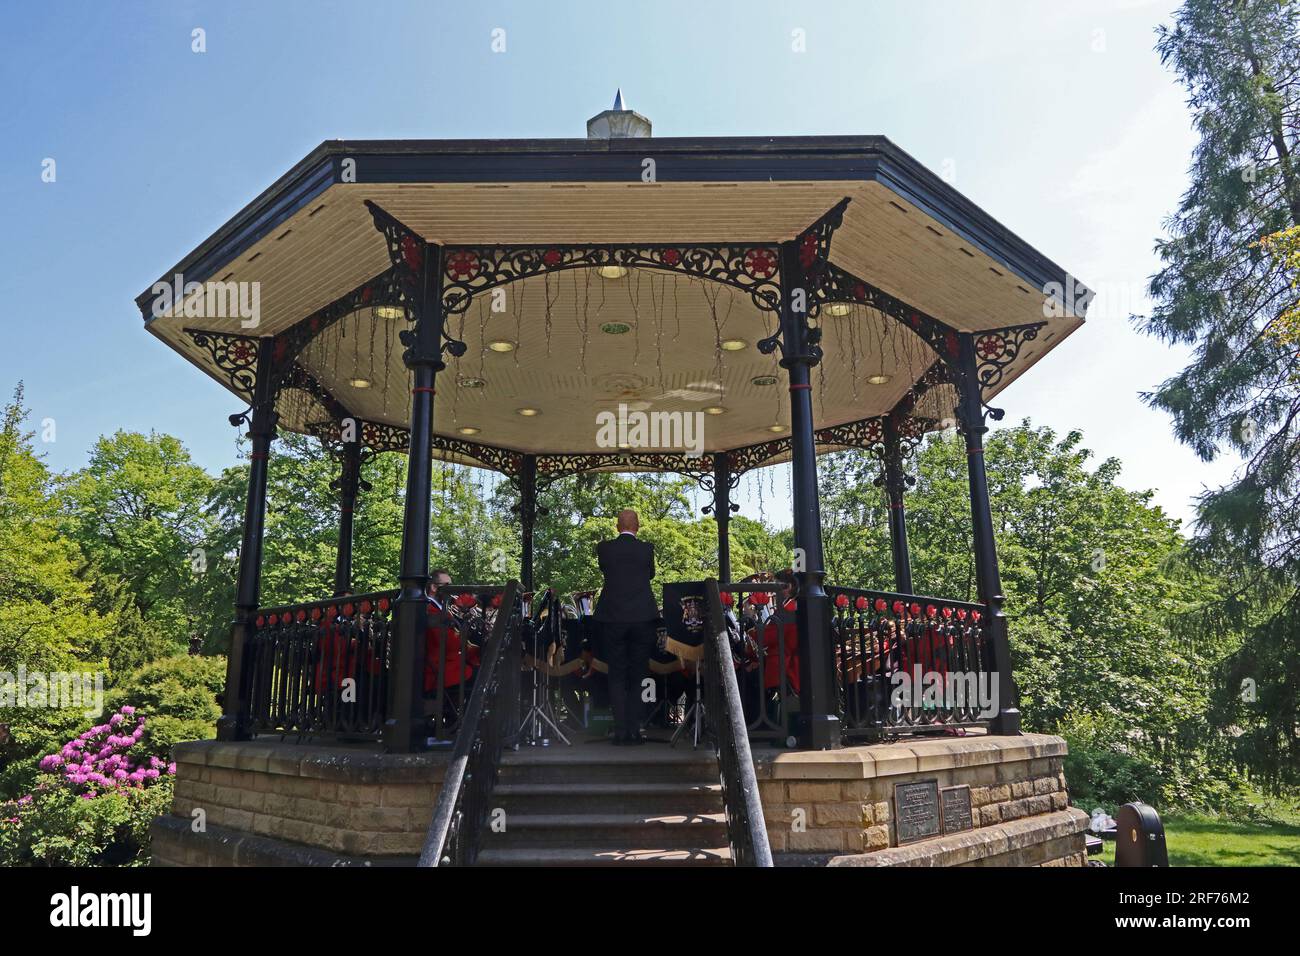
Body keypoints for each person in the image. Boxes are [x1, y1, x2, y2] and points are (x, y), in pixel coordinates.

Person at [593, 509, 658, 745]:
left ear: (617, 526)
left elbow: (605, 570)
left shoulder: (605, 549)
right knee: (639, 675)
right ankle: (635, 730)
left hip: (613, 617)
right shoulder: (646, 549)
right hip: (642, 617)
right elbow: (650, 575)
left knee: (617, 674)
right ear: (637, 525)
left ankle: (620, 731)